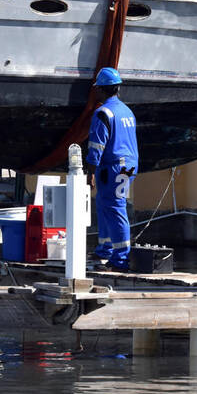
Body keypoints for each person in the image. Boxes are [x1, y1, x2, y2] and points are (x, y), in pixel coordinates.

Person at [87, 67, 139, 269]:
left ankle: (121, 259)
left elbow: (96, 146)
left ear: (101, 89)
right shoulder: (126, 111)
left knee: (115, 207)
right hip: (127, 166)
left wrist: (90, 172)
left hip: (114, 168)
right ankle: (105, 250)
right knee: (104, 203)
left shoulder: (103, 113)